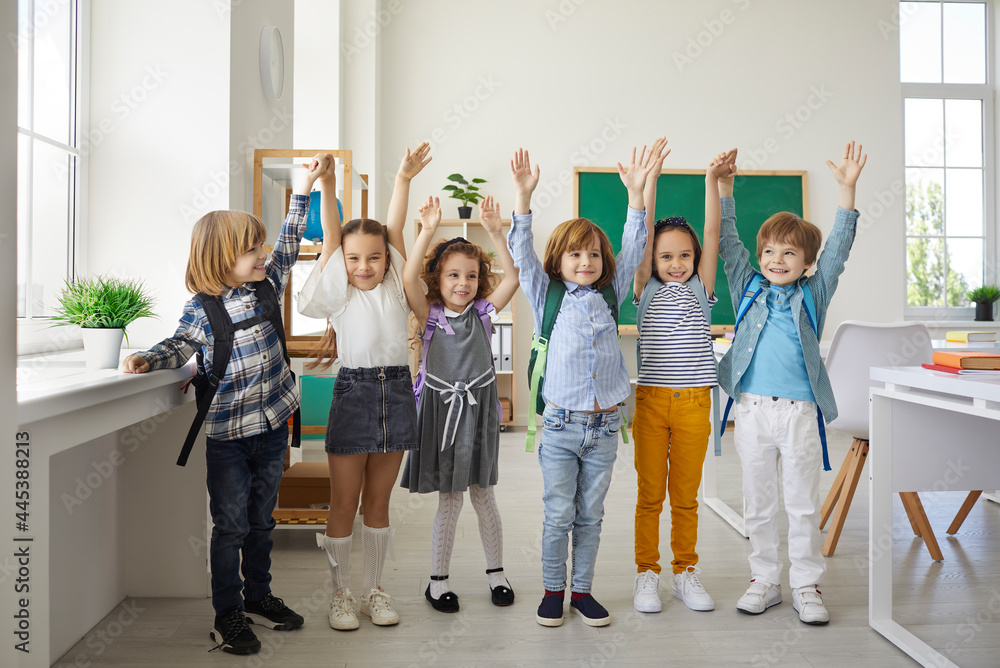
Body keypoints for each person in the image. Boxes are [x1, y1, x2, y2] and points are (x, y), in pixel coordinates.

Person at [123, 154, 331, 655]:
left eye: (259, 247)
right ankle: (228, 613)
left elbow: (287, 239)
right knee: (231, 525)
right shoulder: (202, 307)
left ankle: (259, 596)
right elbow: (179, 345)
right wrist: (148, 359)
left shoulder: (268, 284)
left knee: (264, 520)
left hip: (273, 424)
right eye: (249, 250)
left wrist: (306, 184)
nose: (262, 255)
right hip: (228, 438)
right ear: (219, 257)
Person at [506, 142, 663, 628]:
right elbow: (521, 253)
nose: (586, 261)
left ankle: (582, 592)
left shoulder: (610, 294)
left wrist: (637, 197)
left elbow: (635, 248)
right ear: (559, 259)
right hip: (559, 424)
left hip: (604, 426)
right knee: (559, 515)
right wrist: (523, 199)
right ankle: (553, 590)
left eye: (593, 254)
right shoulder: (545, 291)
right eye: (575, 254)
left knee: (590, 516)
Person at [717, 141, 867, 625]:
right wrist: (724, 191)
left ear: (806, 263)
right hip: (754, 411)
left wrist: (847, 191)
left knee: (801, 505)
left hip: (799, 413)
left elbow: (840, 251)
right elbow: (727, 242)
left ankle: (805, 583)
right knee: (758, 504)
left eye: (789, 252)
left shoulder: (813, 294)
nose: (776, 258)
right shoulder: (748, 287)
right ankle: (765, 580)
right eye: (769, 251)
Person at [296, 143, 431, 631]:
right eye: (356, 259)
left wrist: (403, 179)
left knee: (378, 502)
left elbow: (393, 231)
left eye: (375, 258)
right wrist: (328, 182)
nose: (365, 266)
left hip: (396, 394)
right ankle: (341, 595)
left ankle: (376, 590)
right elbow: (332, 244)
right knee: (344, 503)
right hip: (353, 394)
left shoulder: (397, 284)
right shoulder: (341, 294)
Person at [401, 194, 521, 613]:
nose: (462, 283)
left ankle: (497, 574)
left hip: (479, 412)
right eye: (453, 275)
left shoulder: (484, 313)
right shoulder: (428, 313)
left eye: (471, 276)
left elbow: (513, 278)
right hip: (441, 413)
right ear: (438, 278)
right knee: (449, 498)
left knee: (483, 494)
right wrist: (428, 231)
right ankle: (438, 581)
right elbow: (407, 275)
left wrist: (495, 232)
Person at [631, 149, 736, 614]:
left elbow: (712, 232)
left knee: (686, 496)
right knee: (650, 495)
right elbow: (642, 230)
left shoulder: (701, 288)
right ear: (651, 259)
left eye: (684, 255)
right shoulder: (643, 287)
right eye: (666, 255)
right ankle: (646, 574)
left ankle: (684, 572)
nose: (676, 263)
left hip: (695, 402)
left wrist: (712, 180)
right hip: (651, 402)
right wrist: (649, 181)